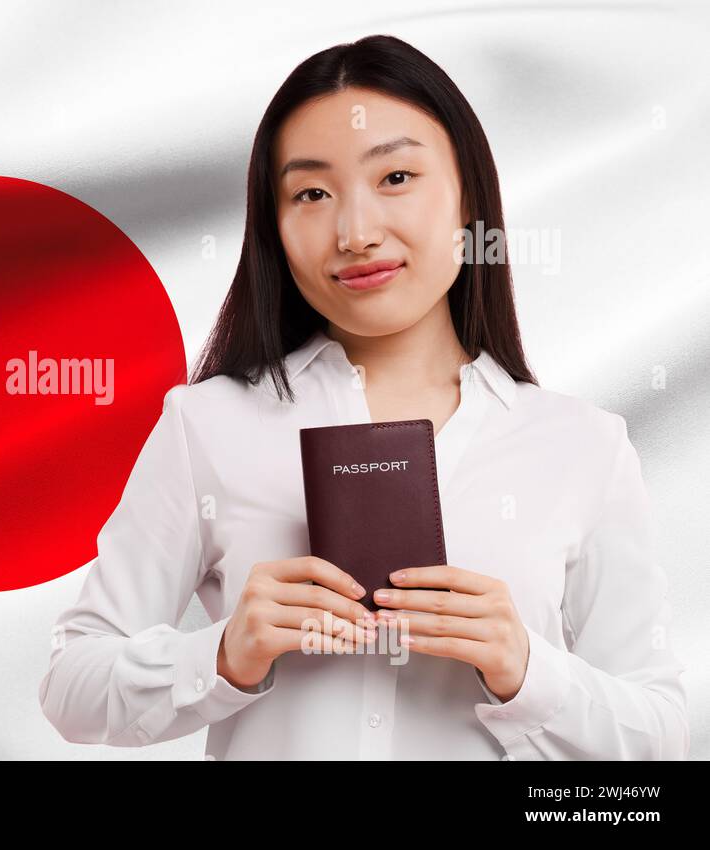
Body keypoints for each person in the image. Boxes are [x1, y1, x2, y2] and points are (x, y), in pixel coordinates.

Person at [37, 34, 690, 760]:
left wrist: (527, 667)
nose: (355, 233)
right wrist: (223, 653)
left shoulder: (582, 445)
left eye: (397, 177)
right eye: (311, 194)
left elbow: (658, 734)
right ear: (274, 225)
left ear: (470, 197)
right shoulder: (208, 424)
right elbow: (72, 685)